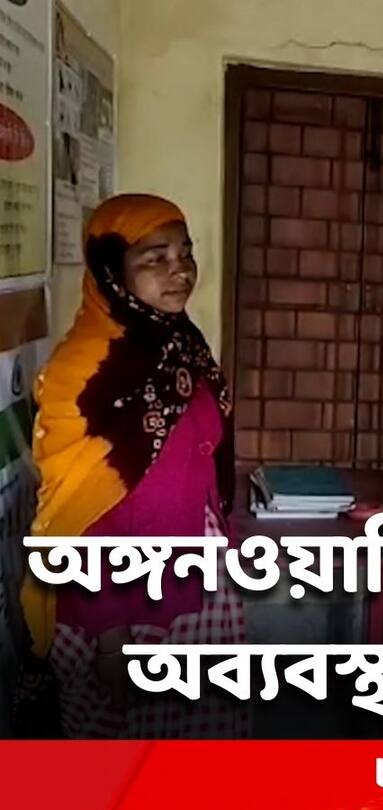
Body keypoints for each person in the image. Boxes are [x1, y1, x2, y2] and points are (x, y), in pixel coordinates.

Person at [19, 194, 249, 738]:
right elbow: (77, 509)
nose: (181, 271)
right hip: (117, 605)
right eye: (155, 258)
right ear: (111, 270)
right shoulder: (85, 373)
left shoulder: (178, 343)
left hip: (194, 579)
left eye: (186, 254)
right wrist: (110, 634)